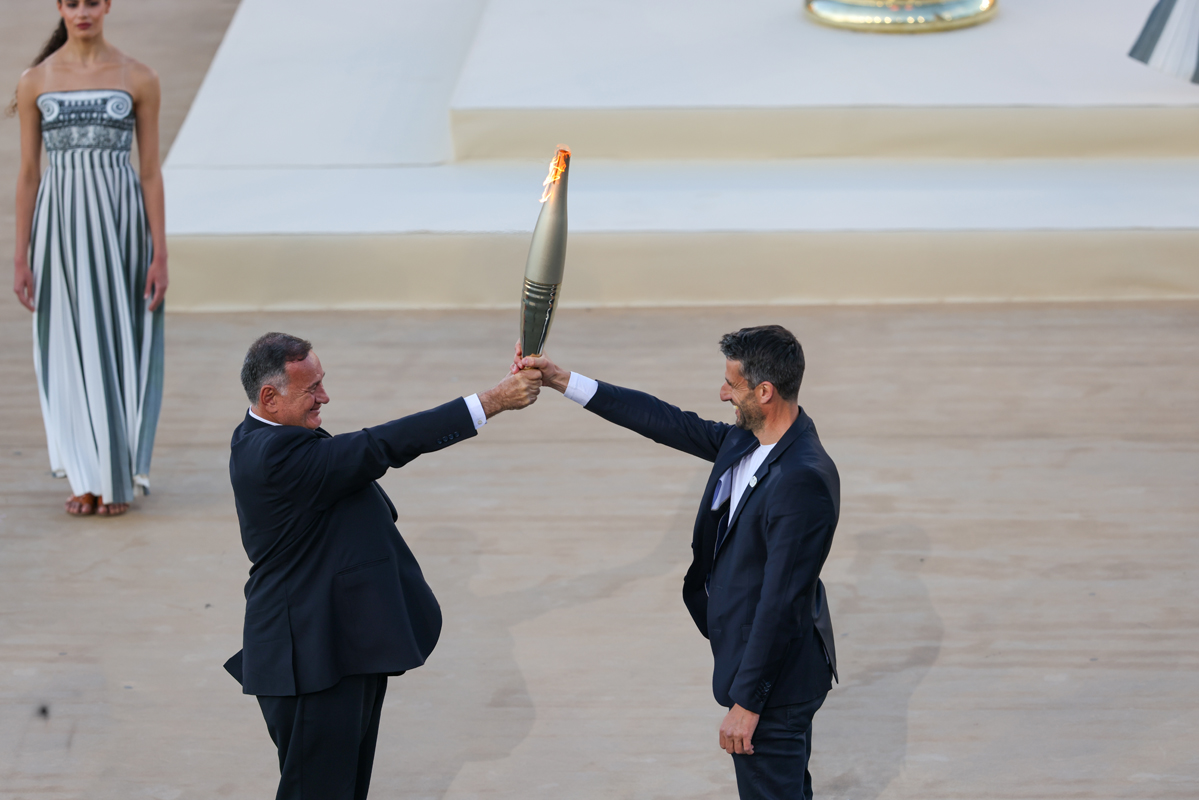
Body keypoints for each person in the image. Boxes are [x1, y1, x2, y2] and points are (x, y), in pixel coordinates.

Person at [517, 325, 839, 800]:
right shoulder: (748, 440)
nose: (723, 393)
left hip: (777, 686)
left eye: (732, 383)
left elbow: (782, 603)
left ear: (765, 391)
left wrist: (749, 703)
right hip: (762, 664)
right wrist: (564, 380)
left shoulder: (801, 479)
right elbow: (664, 420)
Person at [225, 332, 541, 800]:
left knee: (344, 788)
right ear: (269, 397)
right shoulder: (272, 455)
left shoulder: (278, 434)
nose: (324, 397)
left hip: (341, 645)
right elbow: (381, 446)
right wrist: (492, 401)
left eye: (321, 383)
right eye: (312, 388)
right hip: (308, 658)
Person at [11, 0, 168, 517]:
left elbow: (149, 172)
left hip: (121, 228)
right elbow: (30, 173)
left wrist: (159, 250)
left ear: (107, 6)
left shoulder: (138, 77)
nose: (82, 11)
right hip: (58, 231)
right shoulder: (36, 80)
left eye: (91, 2)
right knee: (65, 345)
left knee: (120, 342)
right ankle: (83, 474)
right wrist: (20, 255)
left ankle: (115, 475)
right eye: (72, 2)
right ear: (61, 7)